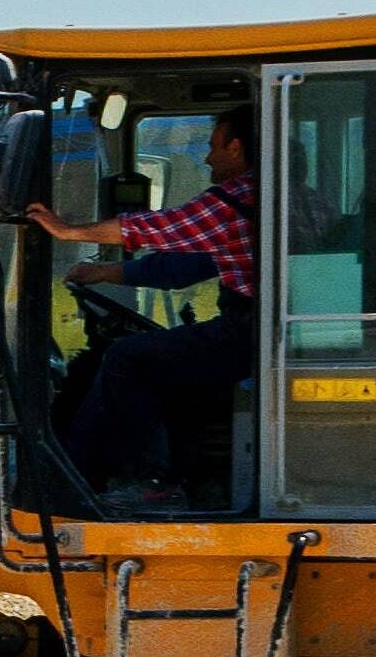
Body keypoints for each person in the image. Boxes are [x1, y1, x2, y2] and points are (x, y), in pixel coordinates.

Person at [25, 114, 254, 511]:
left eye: (214, 146)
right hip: (269, 334)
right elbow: (186, 265)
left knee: (125, 358)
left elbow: (159, 228)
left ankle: (150, 482)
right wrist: (105, 273)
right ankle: (186, 477)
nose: (207, 158)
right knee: (160, 360)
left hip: (248, 334)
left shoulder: (237, 200)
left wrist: (69, 231)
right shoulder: (292, 198)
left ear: (236, 148)